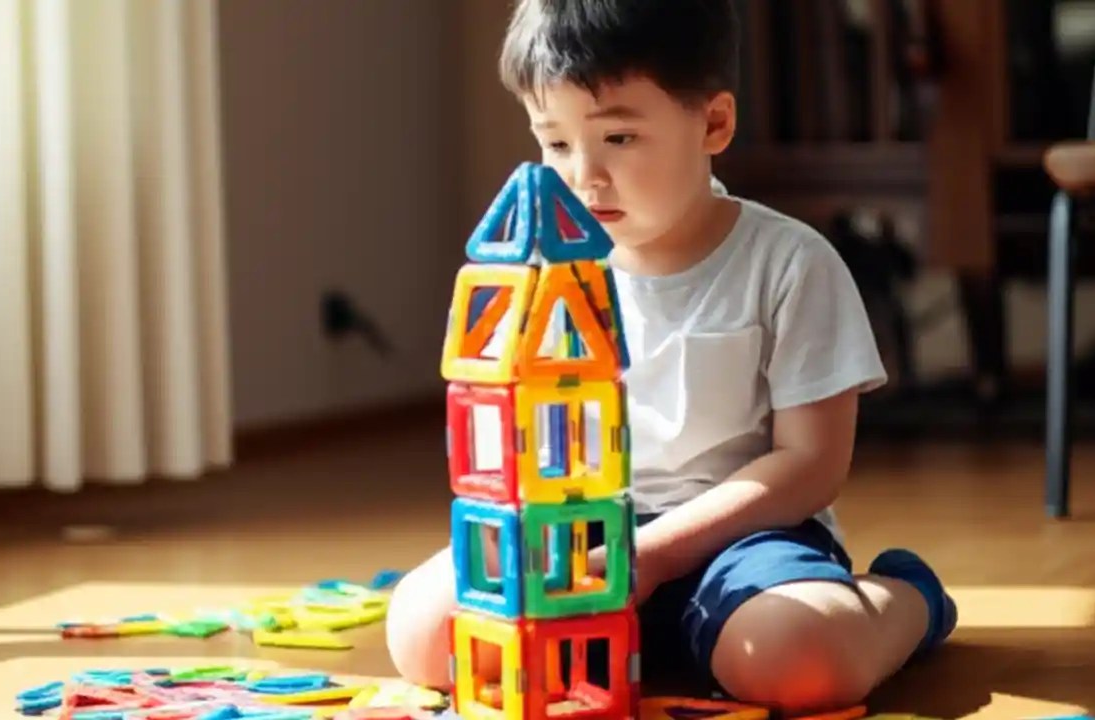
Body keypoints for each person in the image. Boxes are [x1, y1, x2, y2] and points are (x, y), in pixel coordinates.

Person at [385, 0, 956, 714]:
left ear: (713, 123)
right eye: (555, 144)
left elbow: (811, 466)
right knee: (419, 634)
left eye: (618, 137)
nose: (583, 178)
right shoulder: (539, 275)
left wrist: (652, 558)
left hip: (745, 541)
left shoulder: (789, 262)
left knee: (799, 662)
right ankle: (656, 639)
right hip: (585, 537)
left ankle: (904, 598)